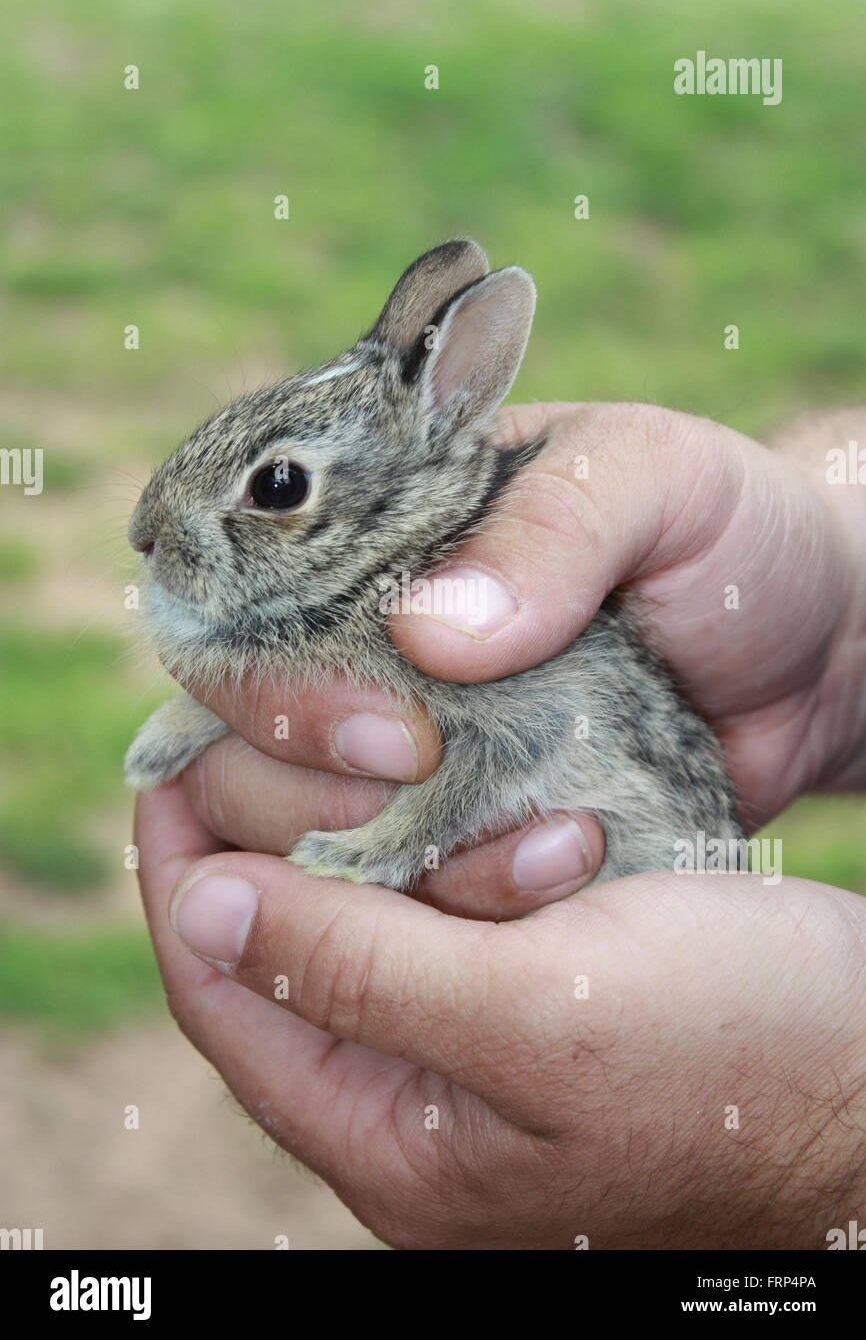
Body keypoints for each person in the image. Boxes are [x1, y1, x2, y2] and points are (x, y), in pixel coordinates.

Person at [135, 401, 866, 1249]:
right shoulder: (376, 604)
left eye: (278, 489)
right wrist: (845, 614)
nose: (149, 539)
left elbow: (527, 733)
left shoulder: (431, 591)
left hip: (662, 887)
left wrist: (388, 846)